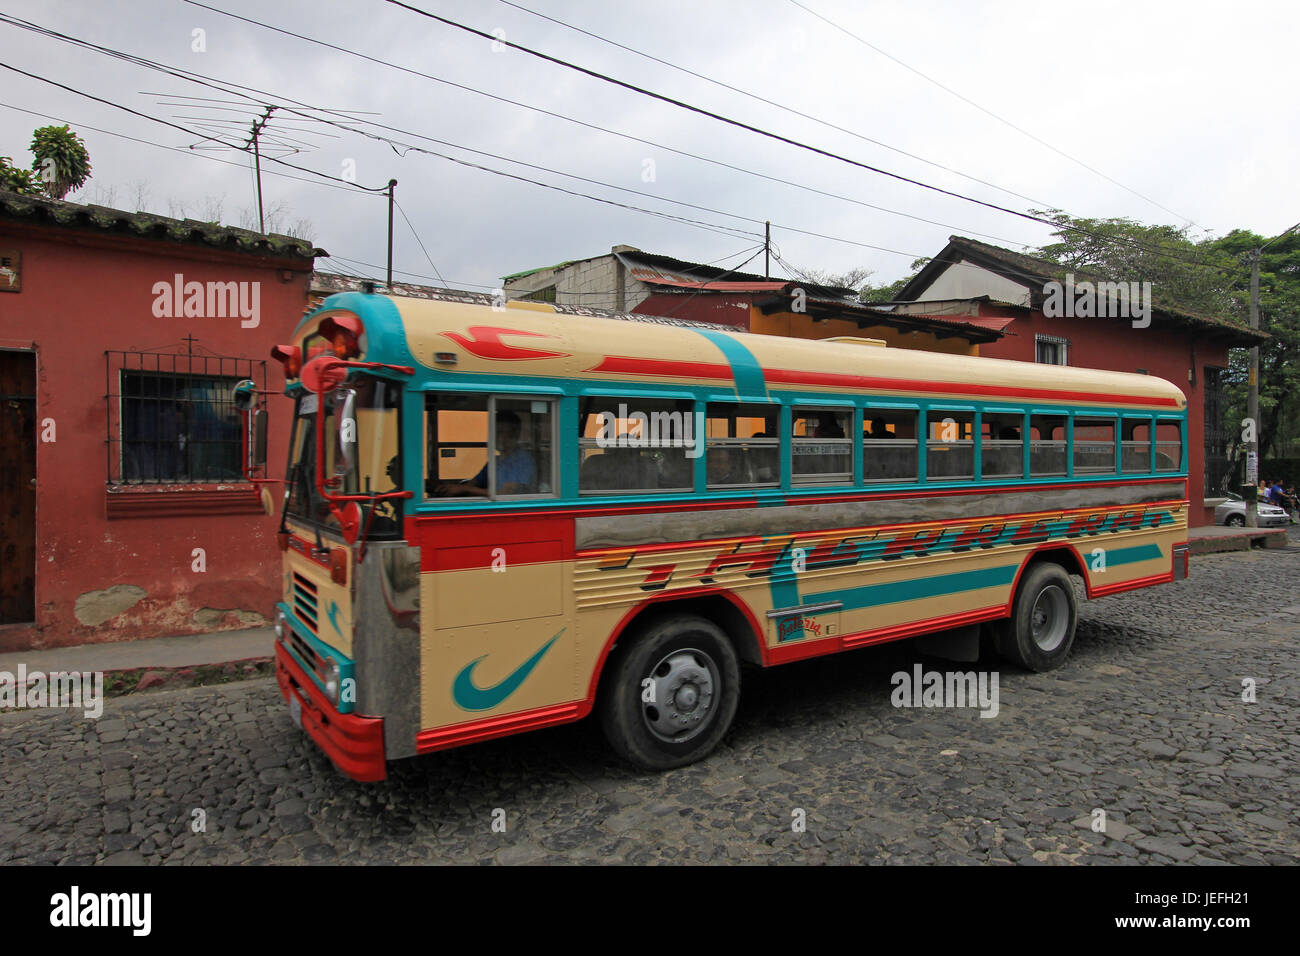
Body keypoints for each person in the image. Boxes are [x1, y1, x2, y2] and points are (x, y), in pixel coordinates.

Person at [436, 411, 536, 497]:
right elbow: (474, 483)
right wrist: (450, 488)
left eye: (500, 432)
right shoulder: (495, 461)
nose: (495, 437)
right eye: (493, 432)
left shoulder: (522, 460)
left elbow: (506, 493)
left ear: (514, 434)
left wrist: (465, 489)